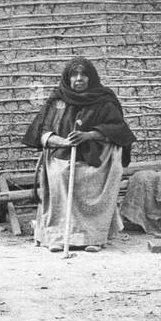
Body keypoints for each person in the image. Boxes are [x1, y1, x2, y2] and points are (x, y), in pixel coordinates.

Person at [22, 58, 136, 253]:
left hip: (96, 157)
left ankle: (93, 237)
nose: (79, 79)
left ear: (91, 78)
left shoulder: (104, 99)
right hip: (61, 156)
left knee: (90, 180)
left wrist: (89, 135)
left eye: (84, 75)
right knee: (61, 176)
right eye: (74, 75)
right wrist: (64, 141)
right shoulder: (58, 100)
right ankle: (57, 236)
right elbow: (42, 132)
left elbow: (119, 130)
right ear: (68, 78)